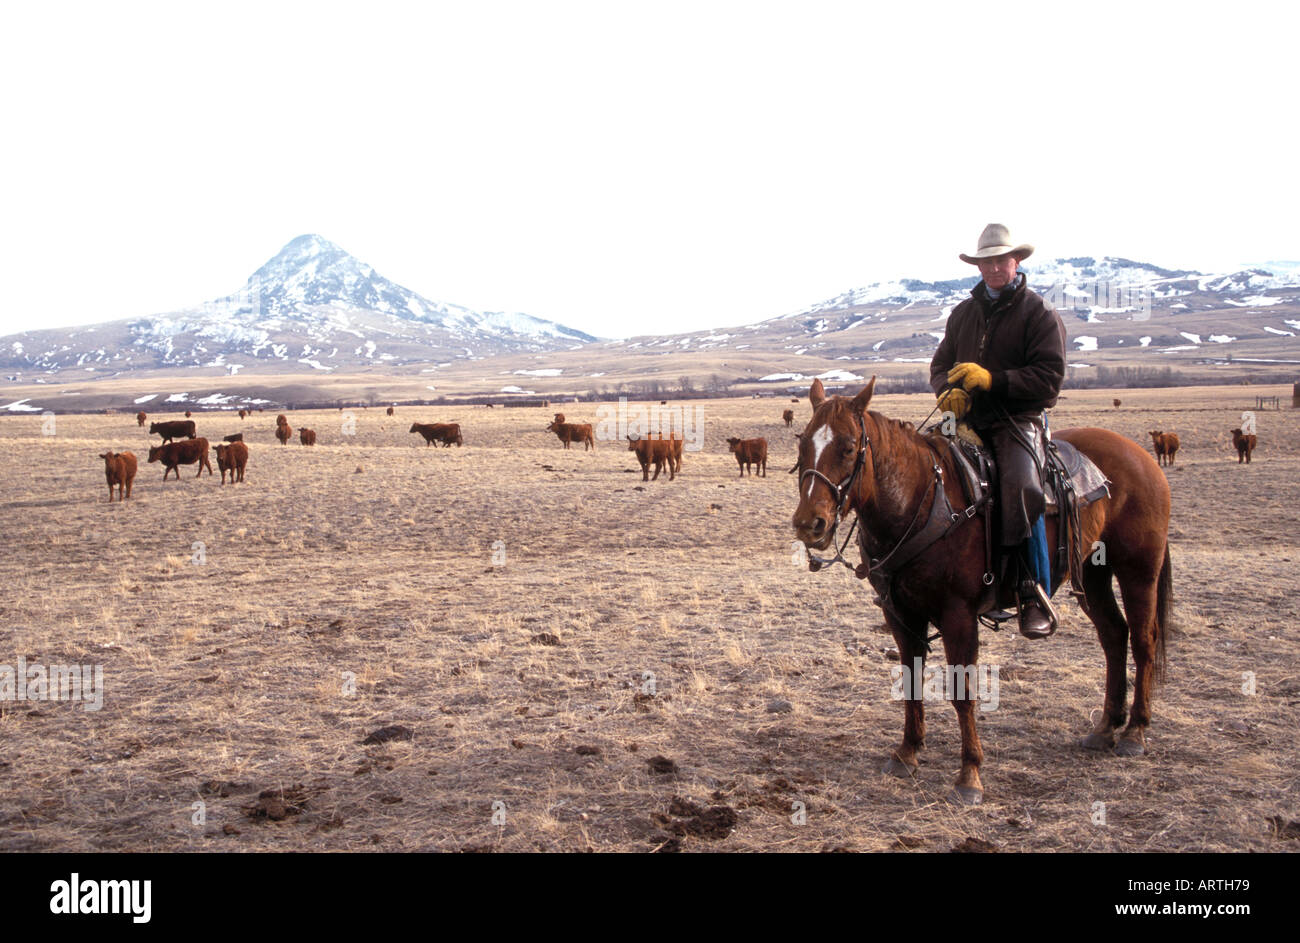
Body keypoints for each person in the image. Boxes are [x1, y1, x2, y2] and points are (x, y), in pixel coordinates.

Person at [930, 223, 1068, 638]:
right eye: (985, 261)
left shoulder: (1039, 314)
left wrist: (993, 381)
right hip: (968, 421)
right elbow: (940, 366)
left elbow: (1049, 379)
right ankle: (919, 582)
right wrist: (946, 393)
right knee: (921, 473)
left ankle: (1032, 591)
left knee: (1022, 487)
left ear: (1017, 262)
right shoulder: (963, 314)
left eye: (1000, 260)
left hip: (1017, 421)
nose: (992, 268)